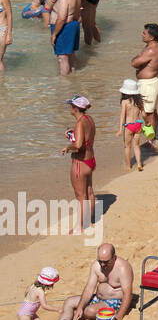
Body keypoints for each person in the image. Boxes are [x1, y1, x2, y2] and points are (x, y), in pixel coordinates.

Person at [52, 244, 134, 320]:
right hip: (98, 298)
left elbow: (128, 293)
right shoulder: (96, 265)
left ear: (114, 257)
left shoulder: (123, 267)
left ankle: (73, 318)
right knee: (69, 301)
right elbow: (89, 288)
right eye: (100, 261)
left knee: (89, 311)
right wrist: (80, 307)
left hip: (115, 301)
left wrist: (119, 317)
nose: (102, 264)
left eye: (106, 262)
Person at [60, 96, 97, 232]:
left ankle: (79, 227)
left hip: (79, 164)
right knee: (89, 192)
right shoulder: (89, 120)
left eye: (71, 105)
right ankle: (90, 221)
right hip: (90, 161)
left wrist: (67, 147)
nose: (69, 108)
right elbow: (86, 139)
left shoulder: (80, 122)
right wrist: (72, 134)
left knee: (80, 196)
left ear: (76, 109)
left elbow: (79, 145)